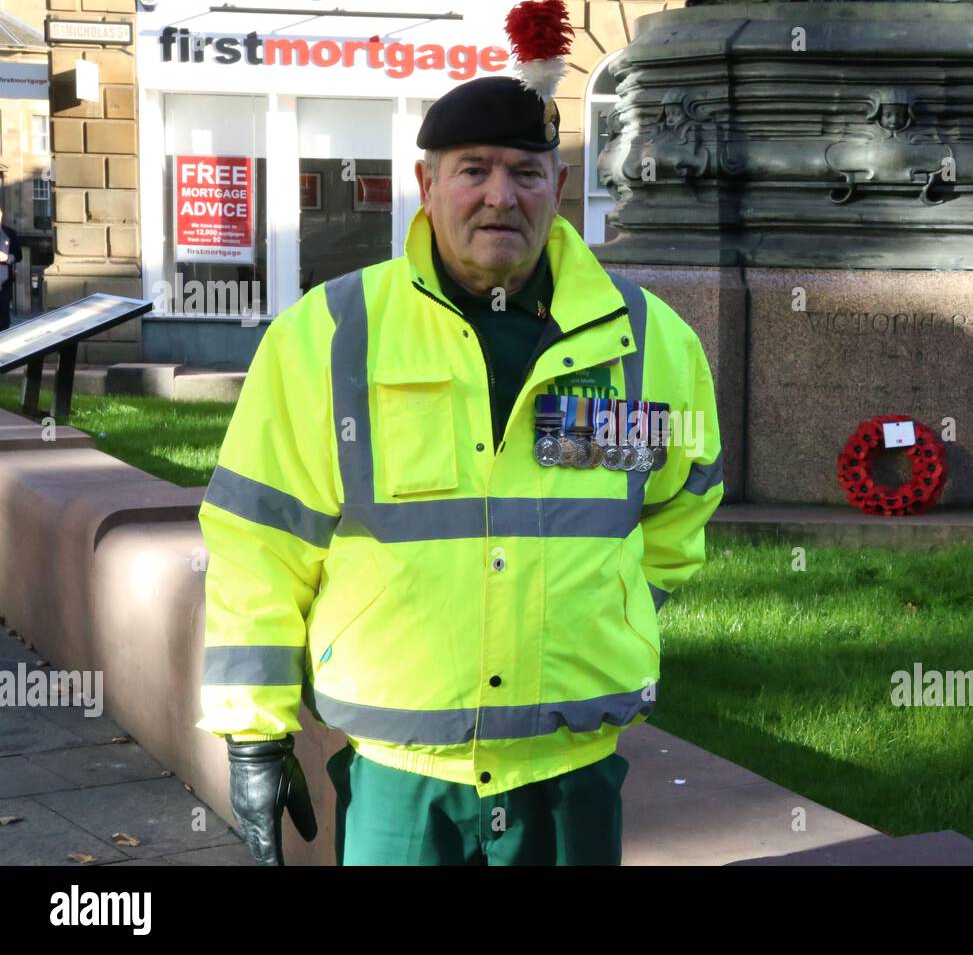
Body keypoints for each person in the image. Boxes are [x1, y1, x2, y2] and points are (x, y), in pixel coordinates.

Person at [195, 69, 725, 865]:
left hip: (570, 772)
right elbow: (258, 544)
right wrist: (253, 737)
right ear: (426, 183)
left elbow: (682, 505)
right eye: (473, 169)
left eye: (525, 172)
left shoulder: (651, 340)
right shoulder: (330, 333)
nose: (500, 196)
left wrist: (612, 606)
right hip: (401, 777)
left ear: (560, 185)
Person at [0, 208, 23, 332]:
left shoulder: (10, 233)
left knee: (3, 319)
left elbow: (19, 255)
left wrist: (8, 258)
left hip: (4, 283)